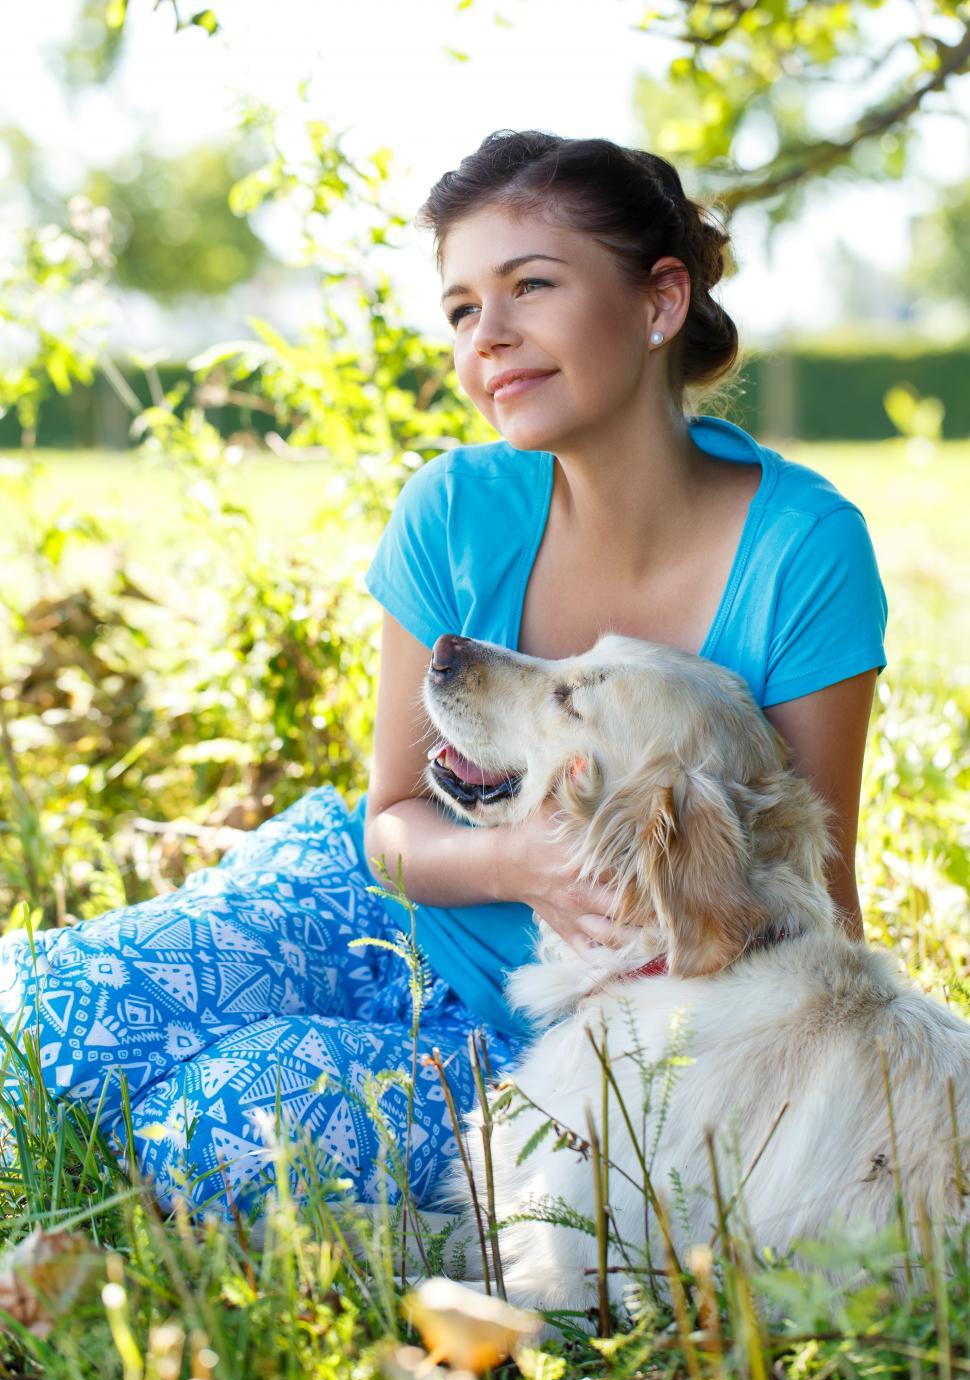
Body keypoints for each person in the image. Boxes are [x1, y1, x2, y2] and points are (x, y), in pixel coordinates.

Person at [0, 129, 887, 1224]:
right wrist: (522, 861)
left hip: (575, 1033)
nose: (489, 337)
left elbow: (806, 883)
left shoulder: (802, 550)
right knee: (31, 1026)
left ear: (660, 301)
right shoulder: (454, 509)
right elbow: (392, 820)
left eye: (530, 286)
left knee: (222, 1127)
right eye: (463, 308)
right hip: (369, 899)